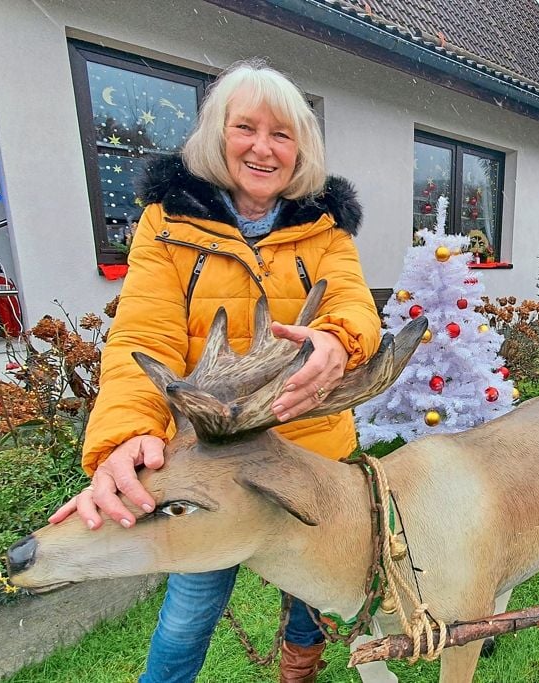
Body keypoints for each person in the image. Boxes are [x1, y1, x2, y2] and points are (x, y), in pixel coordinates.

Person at [48, 59, 382, 683]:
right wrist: (125, 435)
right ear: (216, 136)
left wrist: (339, 342)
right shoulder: (165, 225)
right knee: (189, 608)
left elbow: (354, 307)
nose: (262, 147)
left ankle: (299, 667)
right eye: (245, 128)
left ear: (300, 148)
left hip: (308, 454)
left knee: (311, 592)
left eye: (282, 134)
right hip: (211, 462)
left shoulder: (326, 229)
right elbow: (143, 335)